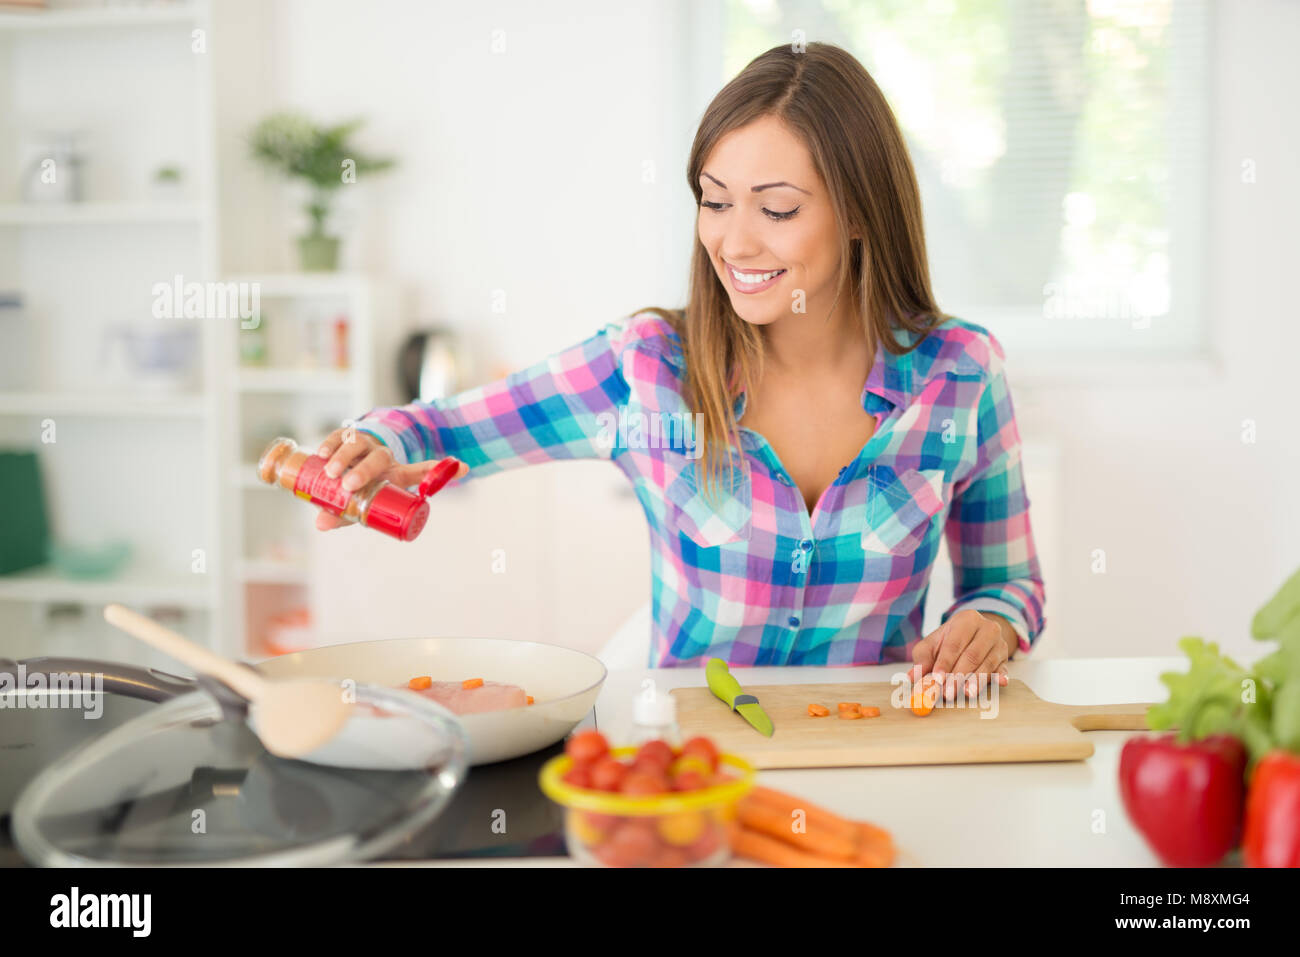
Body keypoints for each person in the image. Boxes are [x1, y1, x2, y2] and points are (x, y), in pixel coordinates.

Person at [316, 41, 1045, 697]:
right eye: (715, 202)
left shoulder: (961, 375)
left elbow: (1008, 585)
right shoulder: (644, 368)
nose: (733, 242)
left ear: (860, 212)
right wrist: (377, 445)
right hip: (689, 764)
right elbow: (446, 428)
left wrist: (990, 622)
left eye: (778, 209)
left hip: (870, 745)